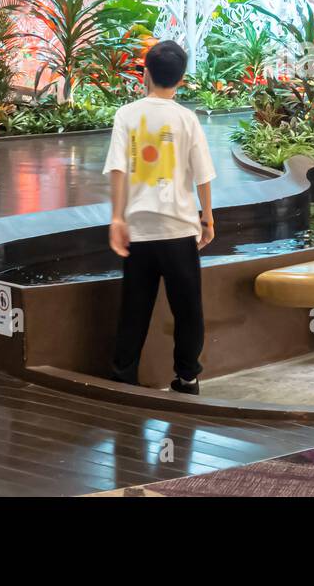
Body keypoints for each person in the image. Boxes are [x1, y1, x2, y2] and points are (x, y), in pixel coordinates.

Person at [105, 41, 216, 395]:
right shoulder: (186, 118)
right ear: (181, 79)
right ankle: (187, 377)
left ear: (146, 73)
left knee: (134, 310)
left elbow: (118, 169)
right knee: (188, 310)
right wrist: (208, 218)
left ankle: (124, 378)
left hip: (139, 231)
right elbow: (202, 174)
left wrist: (117, 219)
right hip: (179, 230)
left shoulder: (127, 114)